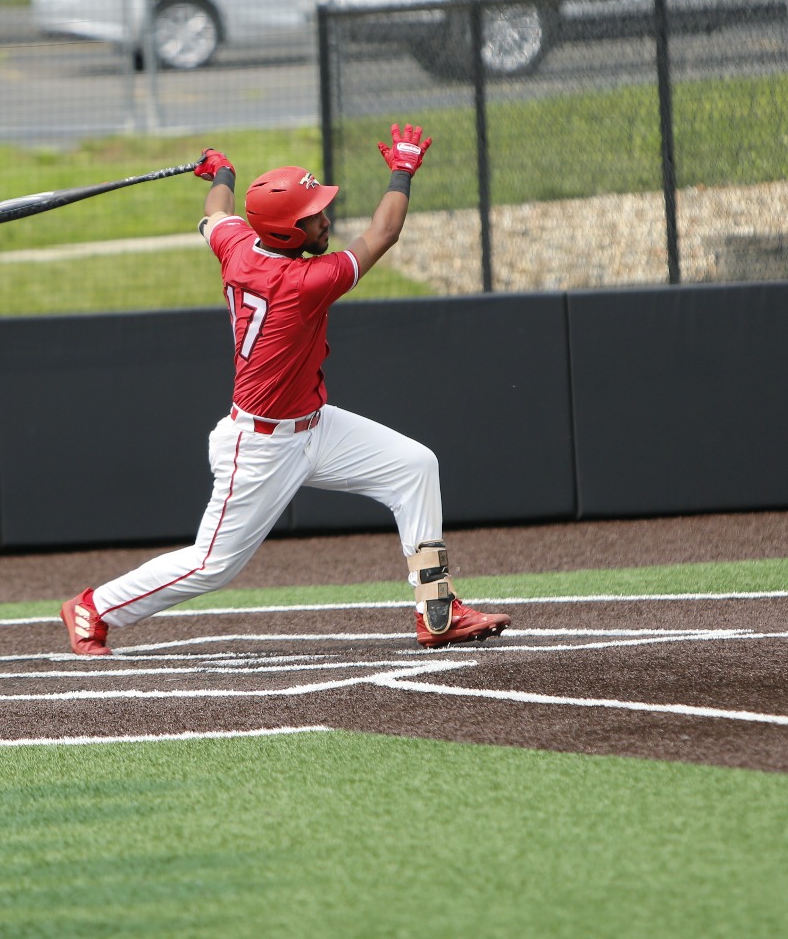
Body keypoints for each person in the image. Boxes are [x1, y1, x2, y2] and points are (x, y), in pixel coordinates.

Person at [60, 126, 511, 656]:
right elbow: (383, 233)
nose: (325, 220)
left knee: (415, 466)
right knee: (212, 566)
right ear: (287, 233)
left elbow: (214, 215)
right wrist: (403, 170)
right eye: (314, 217)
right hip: (261, 446)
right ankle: (95, 606)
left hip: (314, 423)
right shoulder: (304, 284)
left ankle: (437, 609)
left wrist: (221, 173)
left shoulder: (238, 246)